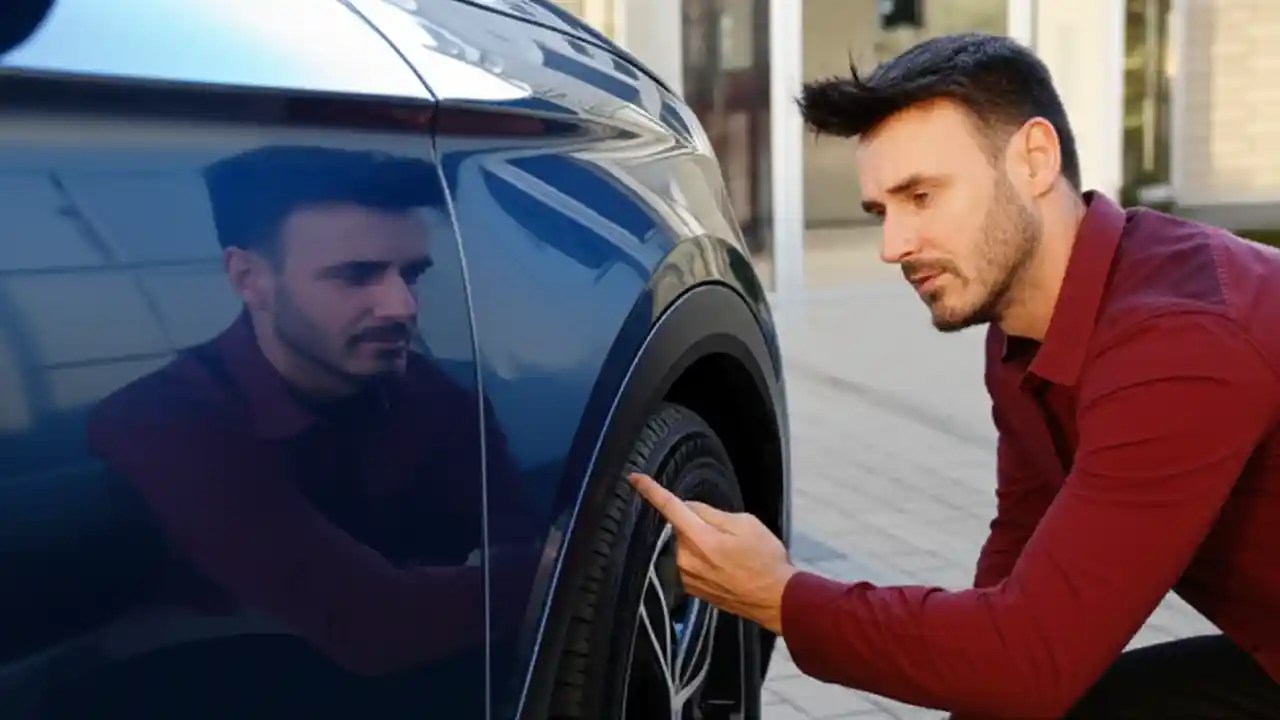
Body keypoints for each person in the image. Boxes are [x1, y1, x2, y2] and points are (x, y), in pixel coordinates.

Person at [629, 32, 1280, 719]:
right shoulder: (1024, 333)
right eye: (882, 211)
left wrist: (782, 596)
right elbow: (1008, 603)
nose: (892, 246)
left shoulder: (1179, 340)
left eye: (922, 196)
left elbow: (1030, 658)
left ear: (1034, 158)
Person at [65, 146, 538, 716]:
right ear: (249, 278)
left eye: (411, 274)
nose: (401, 306)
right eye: (356, 275)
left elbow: (517, 543)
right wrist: (557, 571)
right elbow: (375, 624)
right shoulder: (162, 419)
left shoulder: (424, 391)